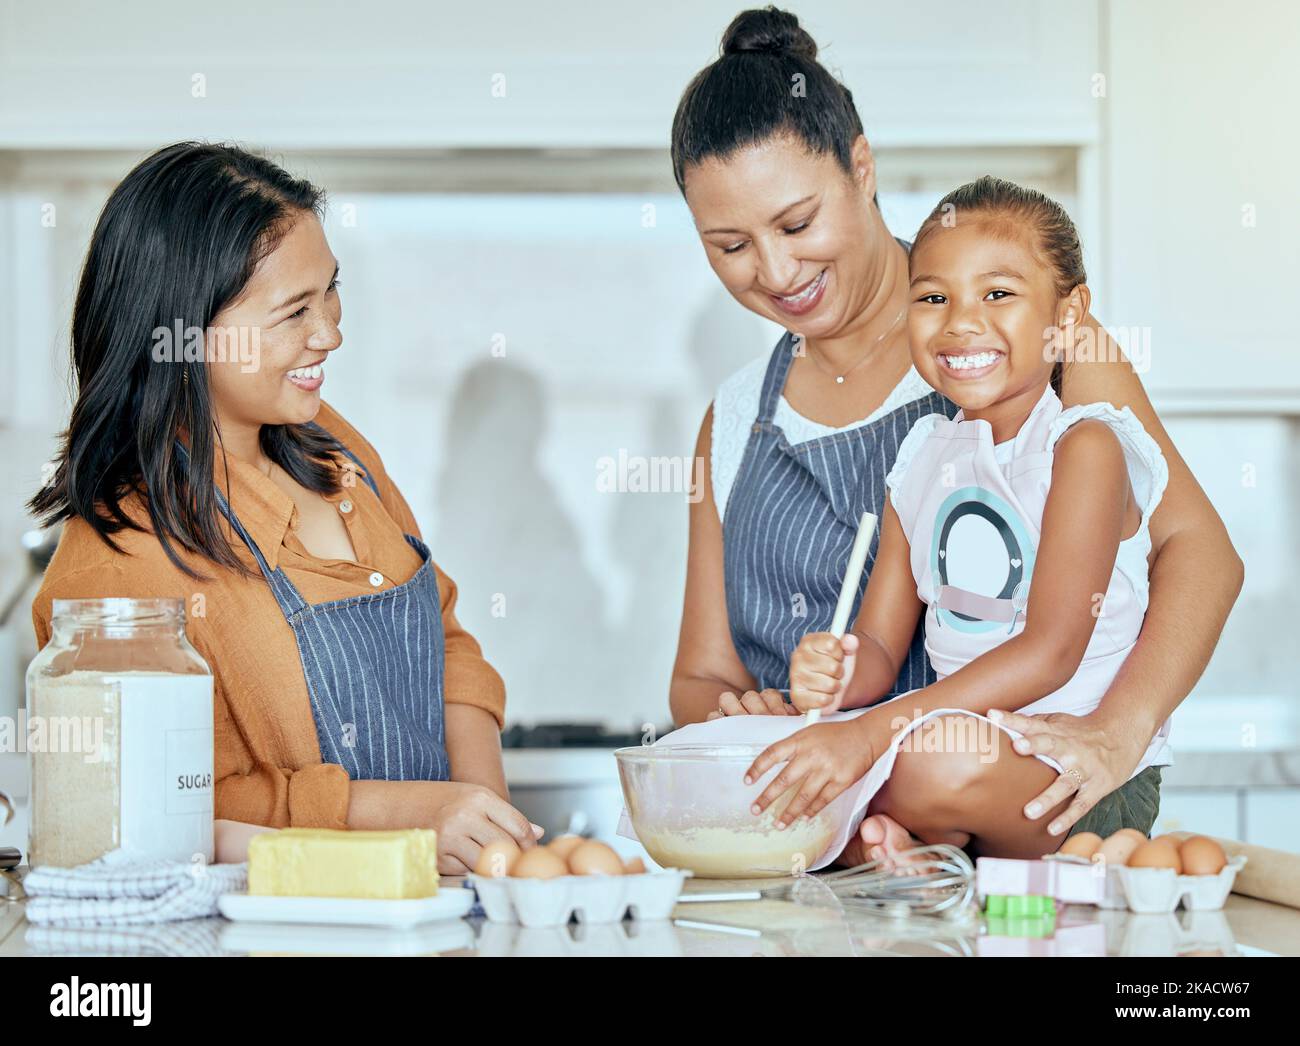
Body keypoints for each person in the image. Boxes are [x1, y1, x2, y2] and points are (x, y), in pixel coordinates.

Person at [668, 8, 1242, 850]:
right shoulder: (734, 418)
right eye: (730, 246)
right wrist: (751, 711)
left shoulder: (1029, 346)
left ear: (860, 167)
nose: (777, 271)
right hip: (816, 848)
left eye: (796, 224)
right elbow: (697, 676)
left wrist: (1119, 732)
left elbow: (1202, 554)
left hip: (986, 822)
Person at [29, 142, 539, 873]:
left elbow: (449, 646)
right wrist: (415, 818)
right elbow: (165, 809)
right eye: (293, 311)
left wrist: (484, 823)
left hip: (436, 908)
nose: (329, 332)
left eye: (330, 290)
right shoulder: (117, 559)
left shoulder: (336, 447)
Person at [745, 175, 1174, 861]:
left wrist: (867, 735)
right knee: (806, 761)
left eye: (998, 294)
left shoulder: (1084, 445)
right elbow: (882, 650)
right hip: (965, 746)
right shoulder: (920, 458)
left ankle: (904, 838)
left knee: (921, 761)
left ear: (1067, 317)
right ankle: (921, 850)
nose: (960, 322)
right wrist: (835, 675)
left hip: (1080, 779)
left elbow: (1051, 651)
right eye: (933, 297)